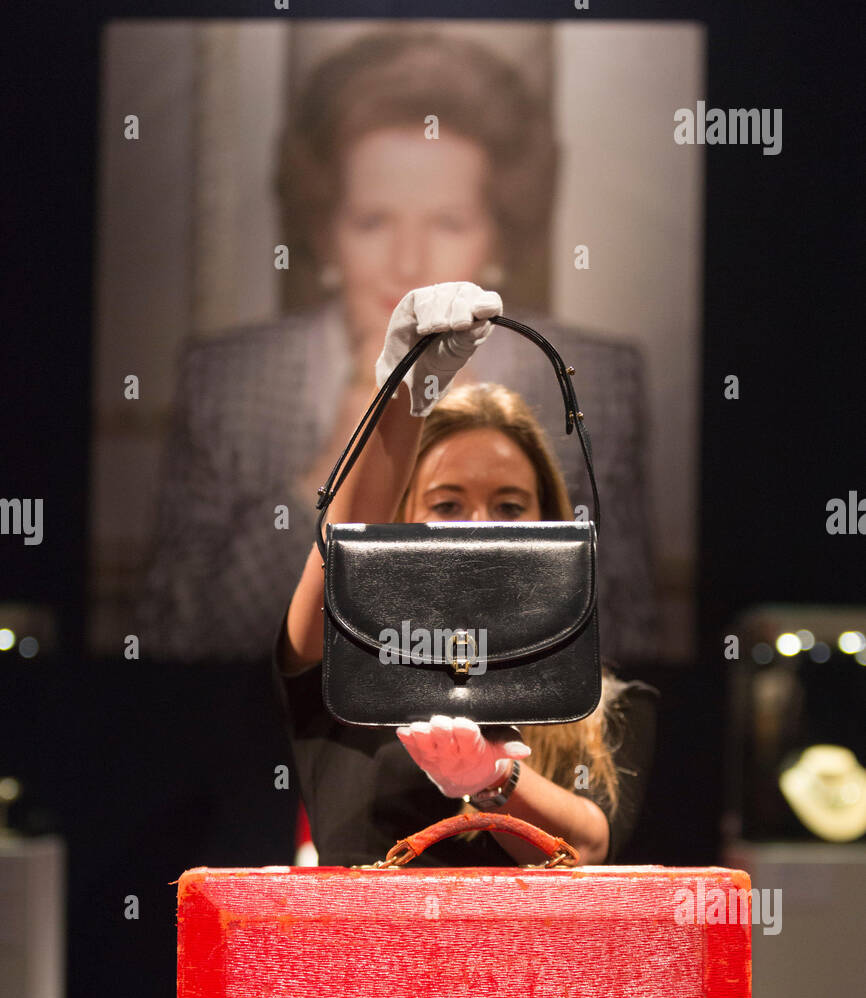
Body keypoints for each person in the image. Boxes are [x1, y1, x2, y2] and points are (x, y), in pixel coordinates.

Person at [135, 27, 658, 665]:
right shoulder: (228, 379)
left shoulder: (593, 380)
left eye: (448, 223)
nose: (408, 262)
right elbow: (179, 636)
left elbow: (627, 641)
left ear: (498, 237)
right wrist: (341, 452)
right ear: (325, 232)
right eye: (372, 222)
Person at [273, 284, 658, 868]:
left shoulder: (599, 702)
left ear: (551, 524)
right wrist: (405, 396)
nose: (477, 529)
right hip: (366, 960)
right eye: (447, 504)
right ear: (400, 519)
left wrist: (492, 779)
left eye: (508, 507)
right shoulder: (350, 658)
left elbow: (588, 846)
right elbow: (342, 541)